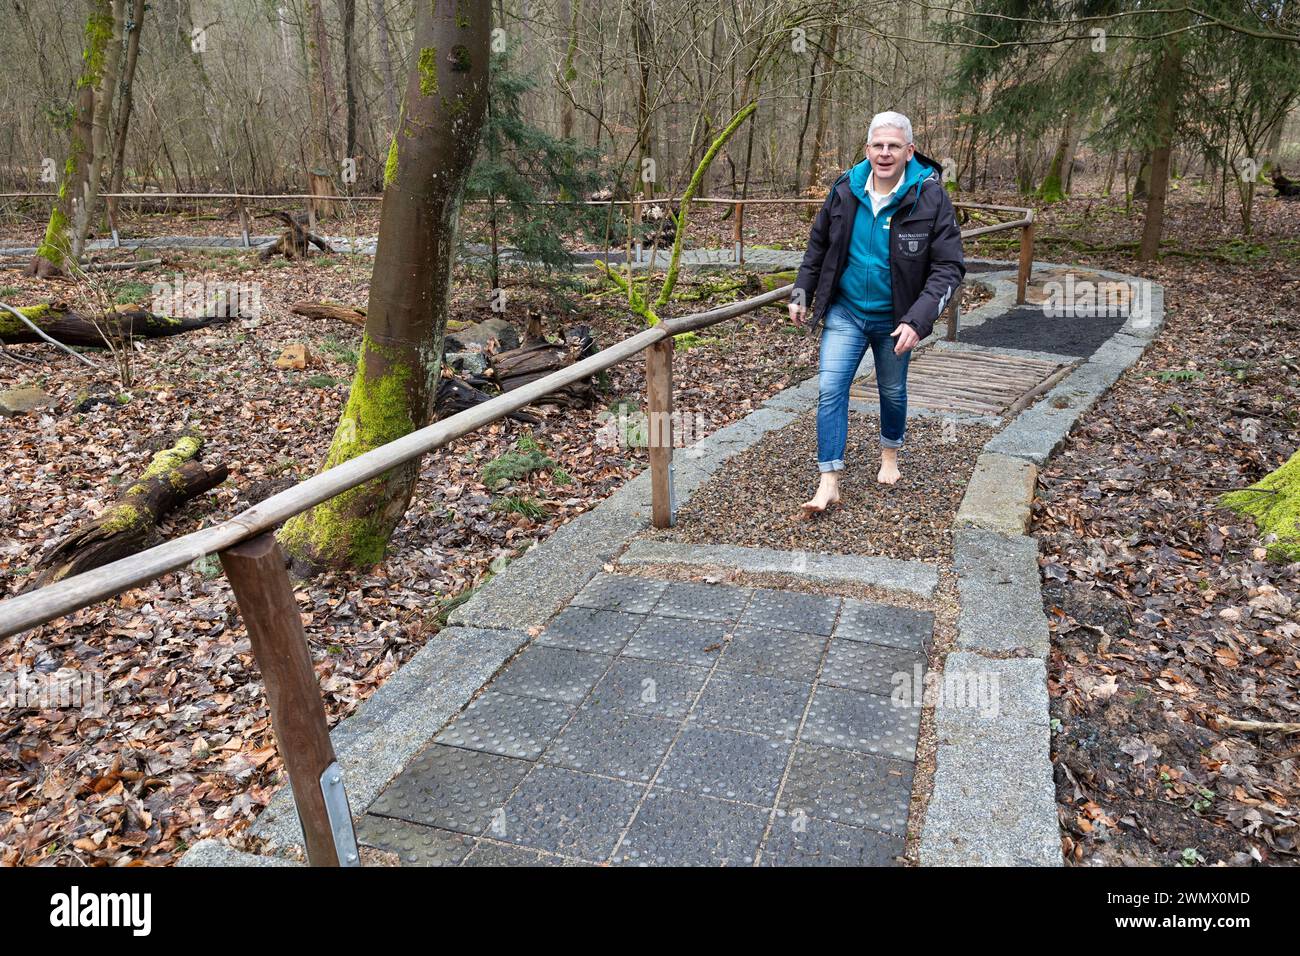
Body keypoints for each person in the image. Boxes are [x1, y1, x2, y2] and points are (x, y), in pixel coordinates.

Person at [789, 110, 965, 514]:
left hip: (896, 319)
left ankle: (890, 452)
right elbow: (817, 247)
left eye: (894, 146)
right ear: (867, 149)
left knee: (891, 390)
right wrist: (802, 292)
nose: (885, 154)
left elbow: (948, 267)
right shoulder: (844, 190)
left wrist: (918, 320)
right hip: (846, 312)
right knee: (831, 388)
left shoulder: (930, 196)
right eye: (878, 146)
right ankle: (829, 480)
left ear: (909, 151)